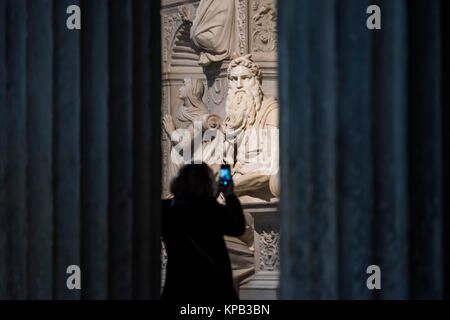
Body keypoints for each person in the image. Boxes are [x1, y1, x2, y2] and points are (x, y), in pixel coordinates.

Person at [161, 163, 246, 301]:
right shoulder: (210, 210)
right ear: (207, 184)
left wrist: (211, 199)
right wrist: (229, 195)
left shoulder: (166, 210)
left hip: (179, 285)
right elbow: (238, 228)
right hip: (210, 287)